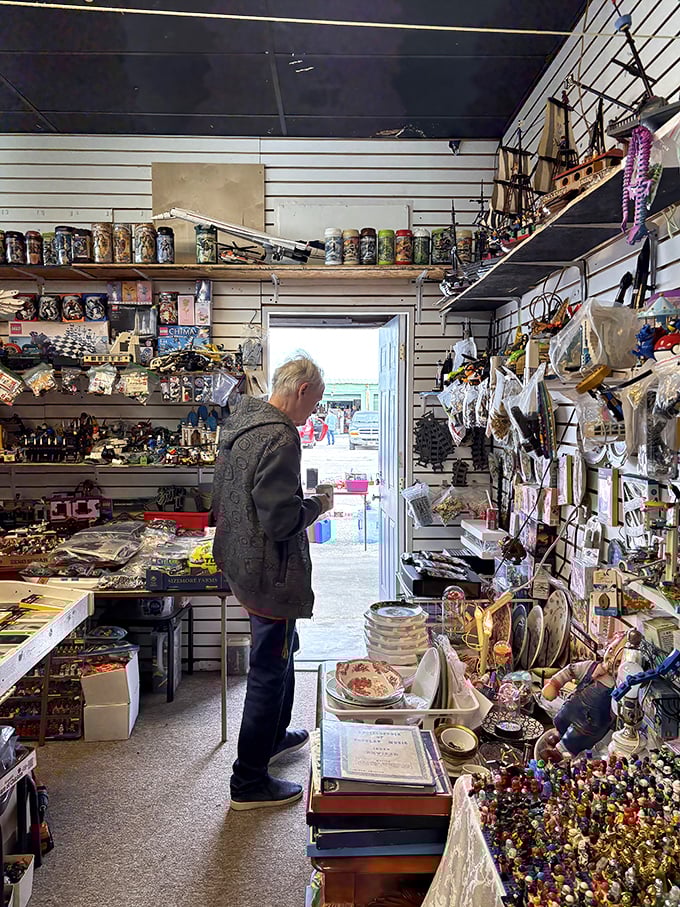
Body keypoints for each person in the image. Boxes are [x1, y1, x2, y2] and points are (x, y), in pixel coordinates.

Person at [212, 355, 332, 810]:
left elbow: (220, 497)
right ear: (302, 391)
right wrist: (318, 504)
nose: (313, 413)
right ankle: (248, 782)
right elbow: (282, 521)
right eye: (315, 402)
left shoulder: (241, 422)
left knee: (284, 653)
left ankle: (275, 736)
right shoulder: (281, 435)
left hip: (242, 563)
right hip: (270, 571)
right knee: (268, 668)